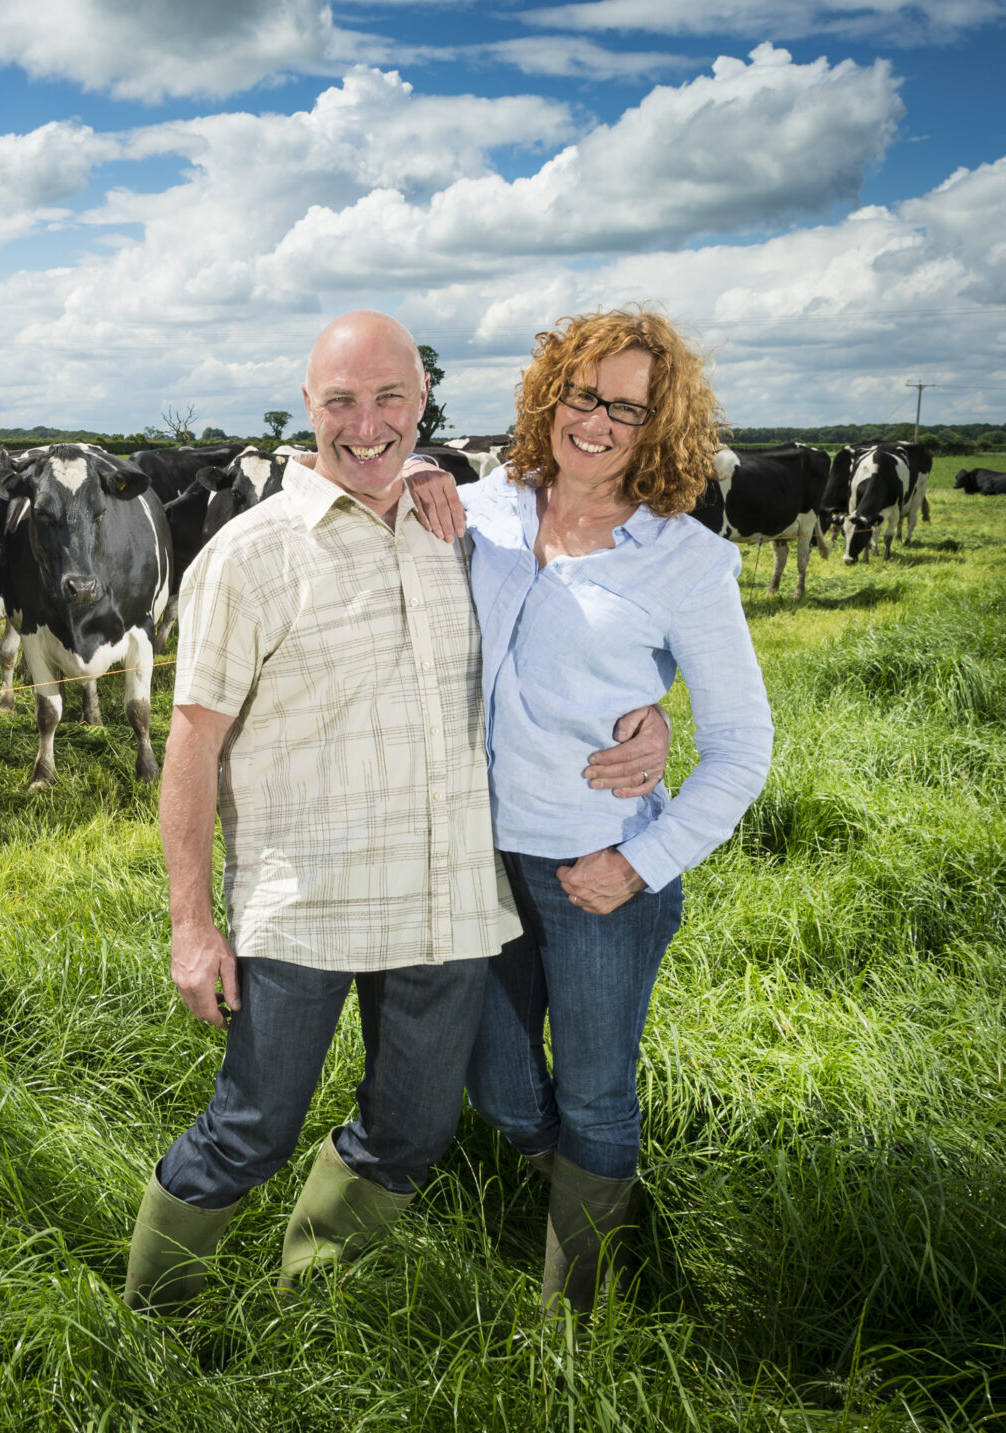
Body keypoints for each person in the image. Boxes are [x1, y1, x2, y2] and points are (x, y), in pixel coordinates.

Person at [124, 310, 670, 1312]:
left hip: (443, 902)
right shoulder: (248, 555)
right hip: (304, 901)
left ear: (422, 404)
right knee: (251, 1127)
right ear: (307, 407)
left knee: (412, 1130)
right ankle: (155, 1322)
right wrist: (190, 923)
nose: (364, 424)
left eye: (389, 399)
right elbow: (190, 746)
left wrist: (648, 717)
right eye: (340, 400)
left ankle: (311, 1296)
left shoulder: (464, 534)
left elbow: (573, 646)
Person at [414, 305, 773, 1316]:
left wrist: (640, 860)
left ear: (656, 427)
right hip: (471, 855)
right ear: (548, 395)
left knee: (594, 1091)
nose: (598, 421)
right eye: (583, 394)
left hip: (593, 874)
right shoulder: (480, 512)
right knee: (494, 1080)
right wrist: (406, 477)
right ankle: (565, 1189)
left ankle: (570, 1309)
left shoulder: (683, 560)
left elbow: (744, 744)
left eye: (627, 407)